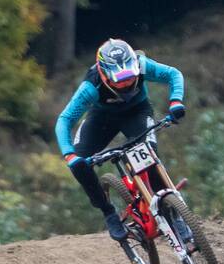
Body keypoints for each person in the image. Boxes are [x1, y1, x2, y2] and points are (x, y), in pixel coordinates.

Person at [55, 38, 186, 241]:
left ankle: (173, 213)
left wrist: (175, 101)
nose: (126, 84)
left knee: (148, 153)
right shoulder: (91, 86)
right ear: (105, 75)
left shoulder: (142, 66)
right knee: (79, 164)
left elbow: (173, 74)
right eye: (119, 80)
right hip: (101, 119)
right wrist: (69, 154)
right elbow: (65, 119)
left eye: (130, 78)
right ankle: (108, 212)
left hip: (137, 113)